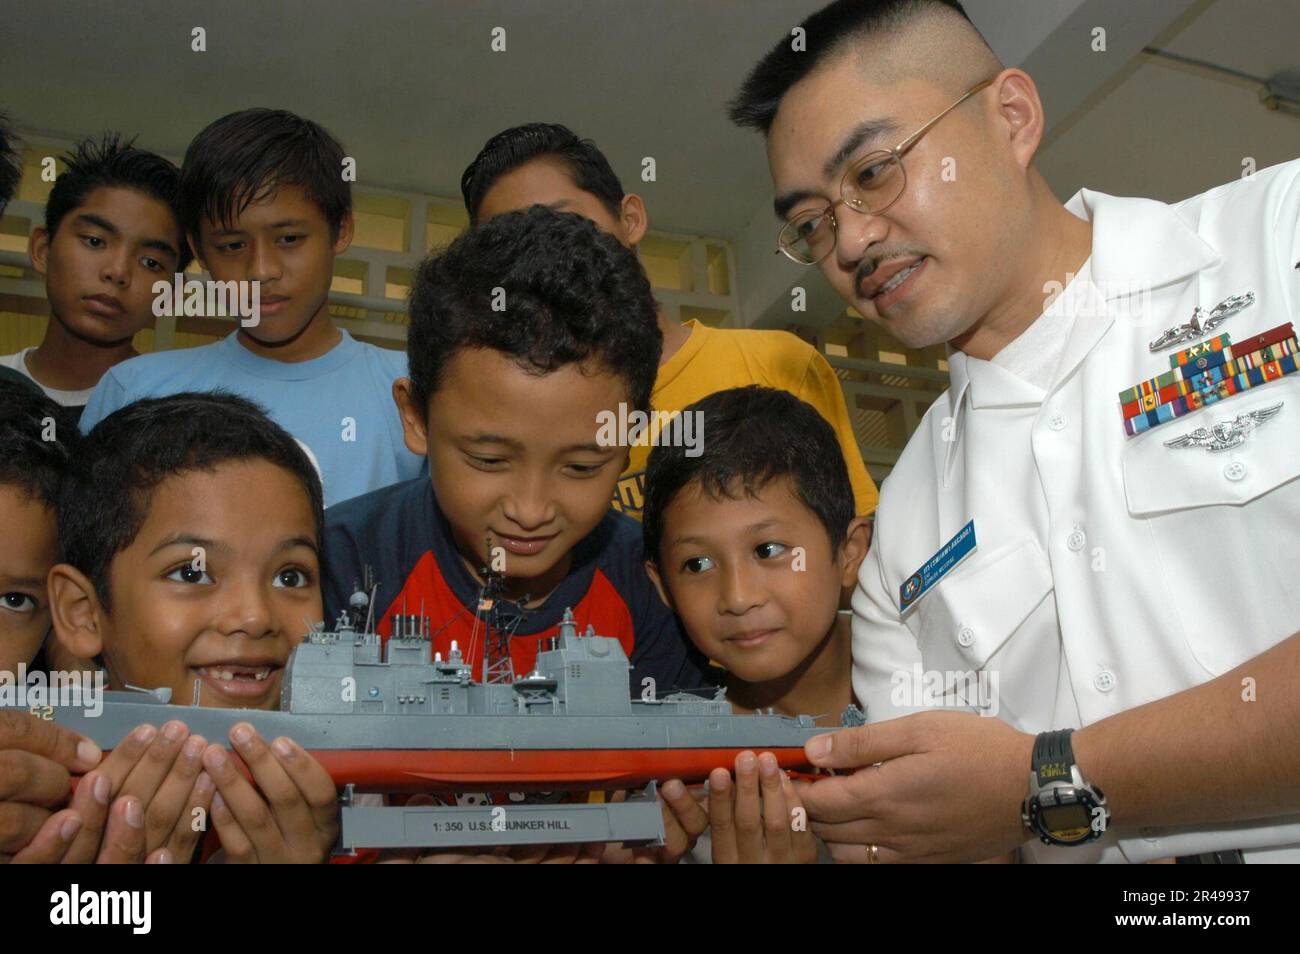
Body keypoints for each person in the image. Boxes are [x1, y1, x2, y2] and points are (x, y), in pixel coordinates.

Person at [731, 0, 1300, 863]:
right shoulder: (900, 541)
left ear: (1012, 117)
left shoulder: (1276, 243)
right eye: (812, 223)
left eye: (877, 172)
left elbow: (1010, 795)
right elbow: (938, 835)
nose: (849, 241)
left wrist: (1051, 779)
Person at [323, 205, 712, 696]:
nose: (529, 511)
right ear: (416, 417)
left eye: (580, 466)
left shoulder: (655, 583)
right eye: (488, 460)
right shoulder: (341, 561)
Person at [461, 122, 879, 523]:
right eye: (507, 243)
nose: (540, 254)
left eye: (561, 223)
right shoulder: (512, 411)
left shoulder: (777, 363)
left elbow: (849, 553)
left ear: (630, 220)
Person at [36, 392, 340, 863]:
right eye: (192, 573)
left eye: (291, 576)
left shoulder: (357, 816)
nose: (255, 616)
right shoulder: (26, 820)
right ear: (83, 611)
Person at [79, 109, 423, 507]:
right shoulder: (134, 390)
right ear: (199, 249)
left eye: (290, 238)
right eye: (233, 246)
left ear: (340, 230)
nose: (261, 271)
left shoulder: (413, 387)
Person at [641, 385, 872, 863]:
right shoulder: (668, 773)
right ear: (662, 586)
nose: (738, 598)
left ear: (849, 552)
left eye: (769, 551)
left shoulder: (932, 690)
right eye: (697, 564)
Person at [0, 135, 189, 418]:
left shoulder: (173, 418)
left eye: (150, 262)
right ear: (42, 249)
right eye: (94, 242)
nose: (118, 272)